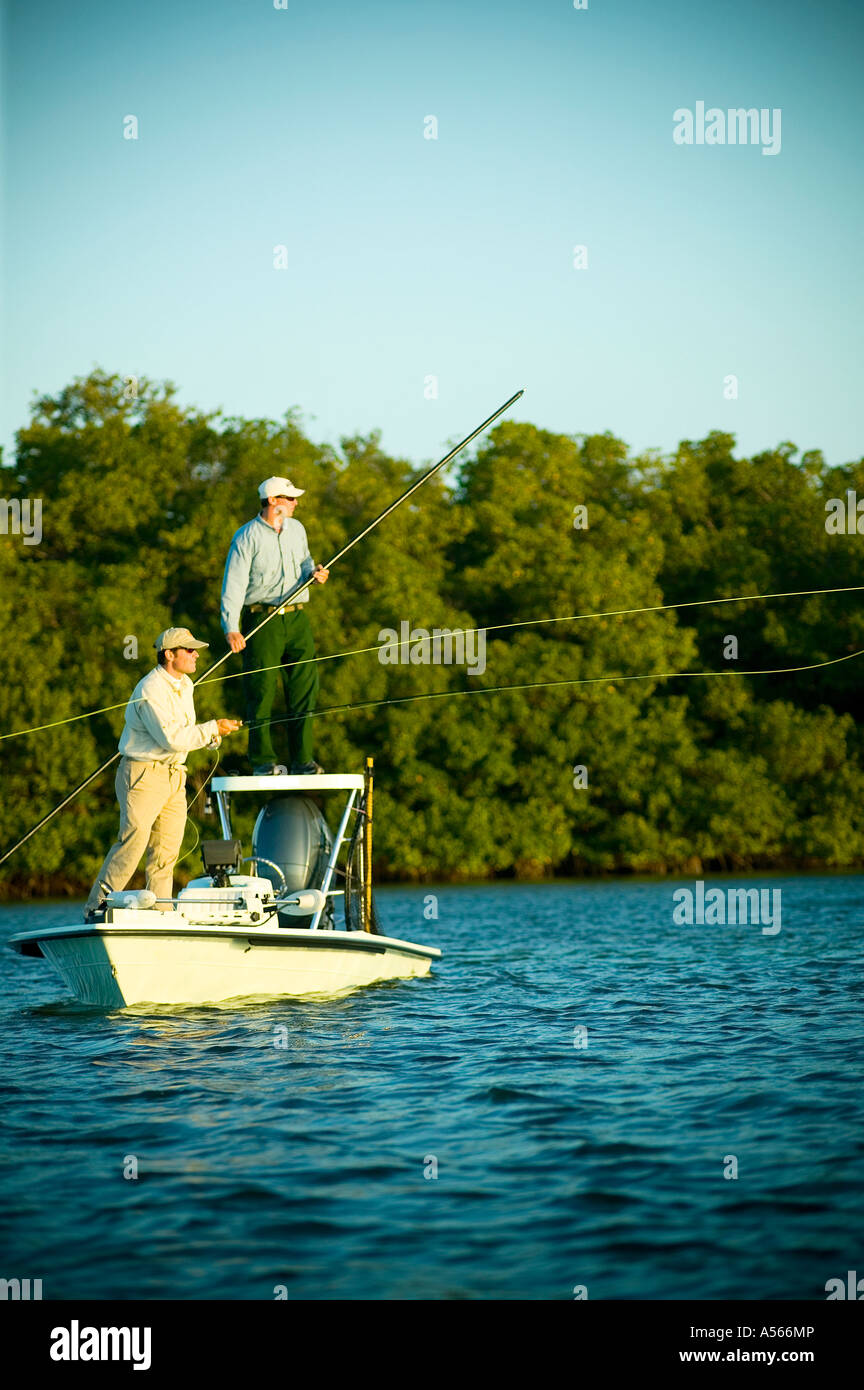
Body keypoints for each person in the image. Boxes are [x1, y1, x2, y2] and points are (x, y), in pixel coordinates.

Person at [83, 628, 241, 922]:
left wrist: (212, 736)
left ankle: (161, 916)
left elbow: (182, 732)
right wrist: (210, 728)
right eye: (189, 650)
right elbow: (170, 738)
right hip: (142, 776)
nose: (196, 654)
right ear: (170, 655)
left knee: (166, 852)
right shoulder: (150, 690)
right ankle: (97, 908)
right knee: (133, 842)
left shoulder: (186, 684)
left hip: (174, 776)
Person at [220, 476, 330, 775]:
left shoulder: (297, 529)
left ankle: (303, 761)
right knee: (261, 690)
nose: (296, 503)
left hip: (297, 618)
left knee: (305, 689)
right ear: (272, 501)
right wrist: (231, 627)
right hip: (262, 619)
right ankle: (262, 761)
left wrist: (315, 572)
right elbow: (234, 585)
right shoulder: (246, 536)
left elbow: (305, 562)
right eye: (289, 498)